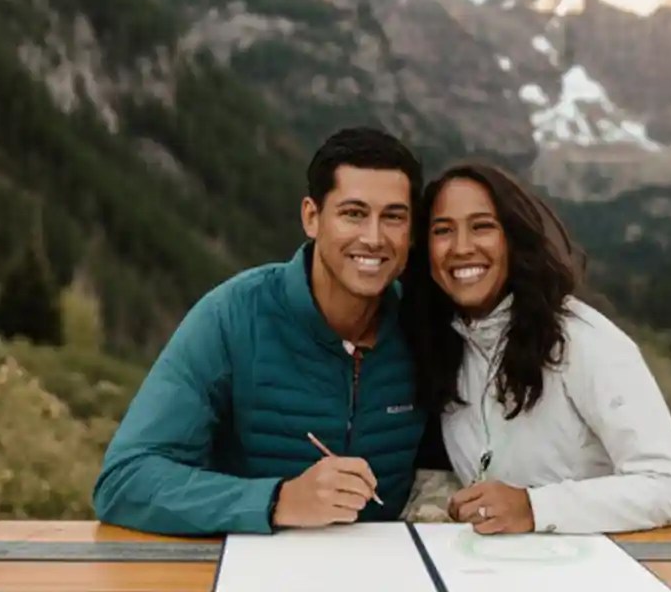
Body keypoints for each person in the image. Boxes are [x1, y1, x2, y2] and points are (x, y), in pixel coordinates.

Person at [92, 127, 434, 535]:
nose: (374, 237)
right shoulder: (233, 316)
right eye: (353, 213)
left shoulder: (426, 327)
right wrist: (277, 501)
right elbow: (124, 481)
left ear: (411, 232)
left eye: (393, 217)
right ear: (312, 216)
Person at [401, 162, 671, 535]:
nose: (462, 247)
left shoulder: (582, 340)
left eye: (482, 227)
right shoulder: (445, 344)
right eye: (443, 230)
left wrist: (535, 507)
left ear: (514, 238)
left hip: (610, 570)